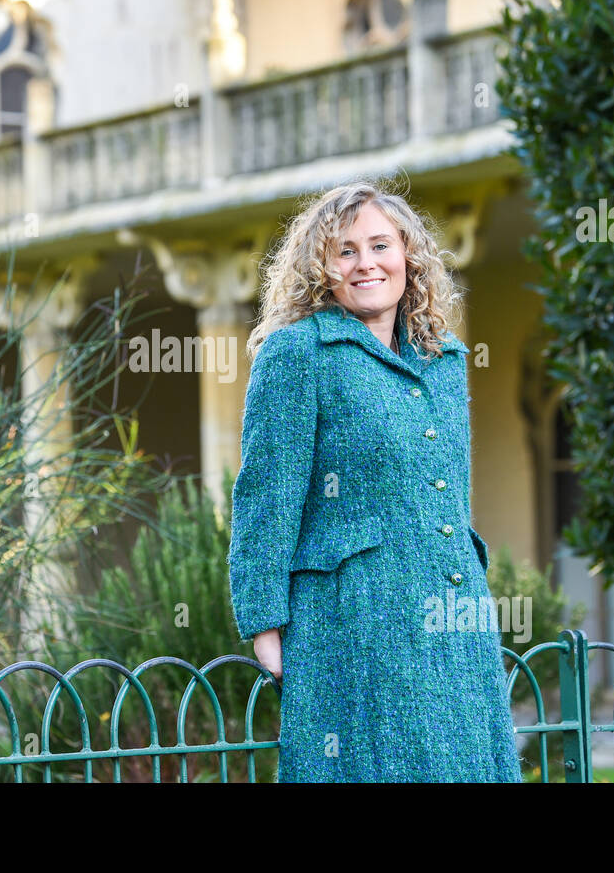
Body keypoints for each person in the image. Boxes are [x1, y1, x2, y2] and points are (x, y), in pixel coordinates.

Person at [227, 180, 523, 782]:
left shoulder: (444, 360)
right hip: (353, 620)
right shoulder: (297, 354)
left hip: (453, 616)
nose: (367, 263)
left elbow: (451, 495)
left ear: (408, 256)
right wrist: (263, 624)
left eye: (381, 245)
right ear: (322, 268)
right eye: (346, 251)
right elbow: (266, 498)